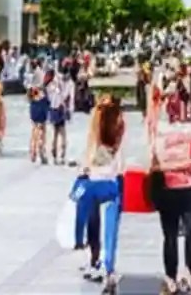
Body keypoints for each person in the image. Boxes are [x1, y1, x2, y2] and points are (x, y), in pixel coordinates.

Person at [152, 87, 191, 294]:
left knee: (171, 236)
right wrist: (184, 164)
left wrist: (169, 166)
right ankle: (188, 275)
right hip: (184, 188)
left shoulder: (159, 132)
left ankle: (173, 278)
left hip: (168, 189)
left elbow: (156, 162)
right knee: (190, 234)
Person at [75, 95, 126, 292]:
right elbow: (121, 161)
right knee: (111, 229)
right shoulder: (119, 130)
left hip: (93, 182)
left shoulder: (95, 129)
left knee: (93, 224)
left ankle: (94, 260)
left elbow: (88, 158)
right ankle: (109, 268)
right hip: (112, 182)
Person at [47, 68, 73, 165]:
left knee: (55, 134)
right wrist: (70, 111)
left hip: (54, 109)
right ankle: (62, 156)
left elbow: (49, 96)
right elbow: (69, 98)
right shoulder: (69, 83)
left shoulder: (53, 83)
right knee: (62, 134)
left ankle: (55, 156)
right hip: (61, 109)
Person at [29, 83, 50, 164]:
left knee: (34, 134)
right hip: (42, 118)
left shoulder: (32, 97)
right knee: (42, 136)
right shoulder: (44, 98)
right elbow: (48, 104)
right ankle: (42, 153)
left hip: (34, 118)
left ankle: (33, 152)